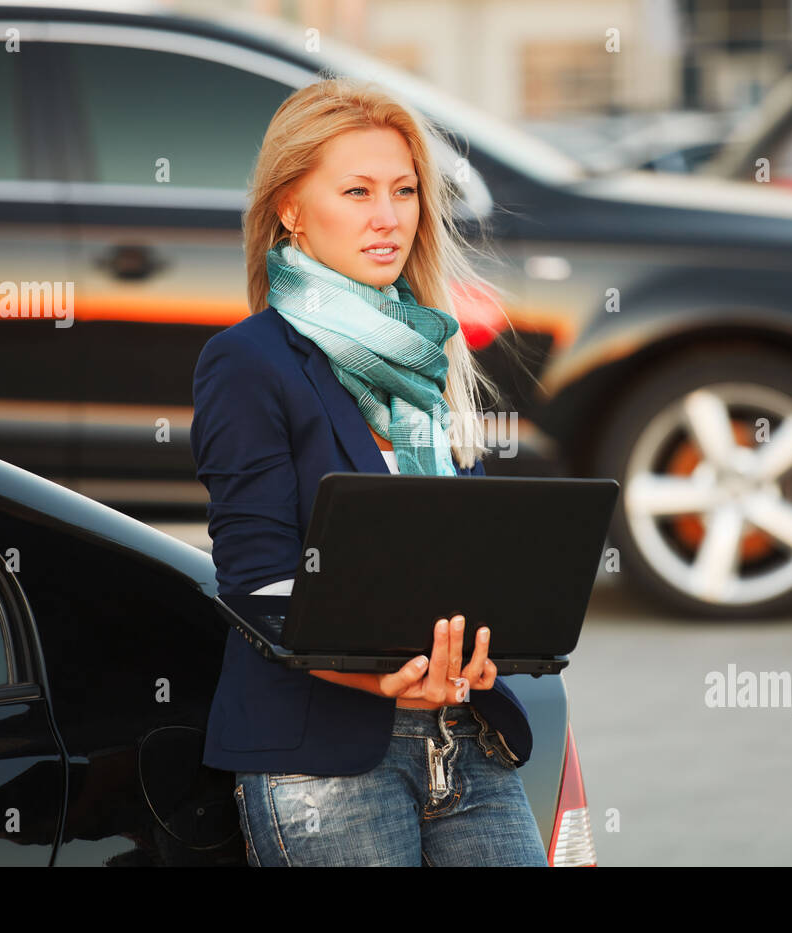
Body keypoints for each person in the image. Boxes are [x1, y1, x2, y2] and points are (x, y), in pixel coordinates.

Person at [190, 76, 547, 866]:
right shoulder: (247, 363)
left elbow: (465, 554)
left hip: (467, 736)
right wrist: (384, 682)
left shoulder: (430, 353)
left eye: (405, 191)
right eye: (356, 191)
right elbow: (257, 587)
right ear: (290, 208)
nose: (388, 217)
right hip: (325, 758)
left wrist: (490, 636)